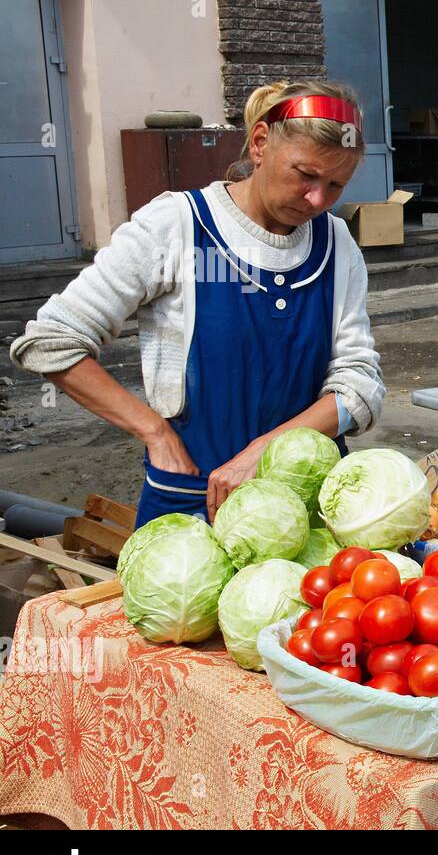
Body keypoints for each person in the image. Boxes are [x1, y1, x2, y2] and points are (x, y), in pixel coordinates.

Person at [9, 81, 384, 525]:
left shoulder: (336, 244)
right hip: (194, 501)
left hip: (307, 508)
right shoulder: (178, 227)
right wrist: (155, 431)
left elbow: (359, 385)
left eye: (335, 185)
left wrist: (265, 450)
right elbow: (51, 341)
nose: (318, 199)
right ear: (261, 143)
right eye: (305, 175)